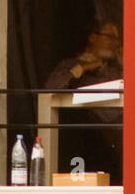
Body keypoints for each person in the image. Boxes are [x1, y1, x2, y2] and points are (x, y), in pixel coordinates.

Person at [44, 22, 123, 182]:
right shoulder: (70, 64)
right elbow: (51, 88)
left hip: (114, 144)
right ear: (93, 37)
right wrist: (84, 68)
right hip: (81, 142)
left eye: (118, 39)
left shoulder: (114, 70)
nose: (116, 43)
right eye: (111, 37)